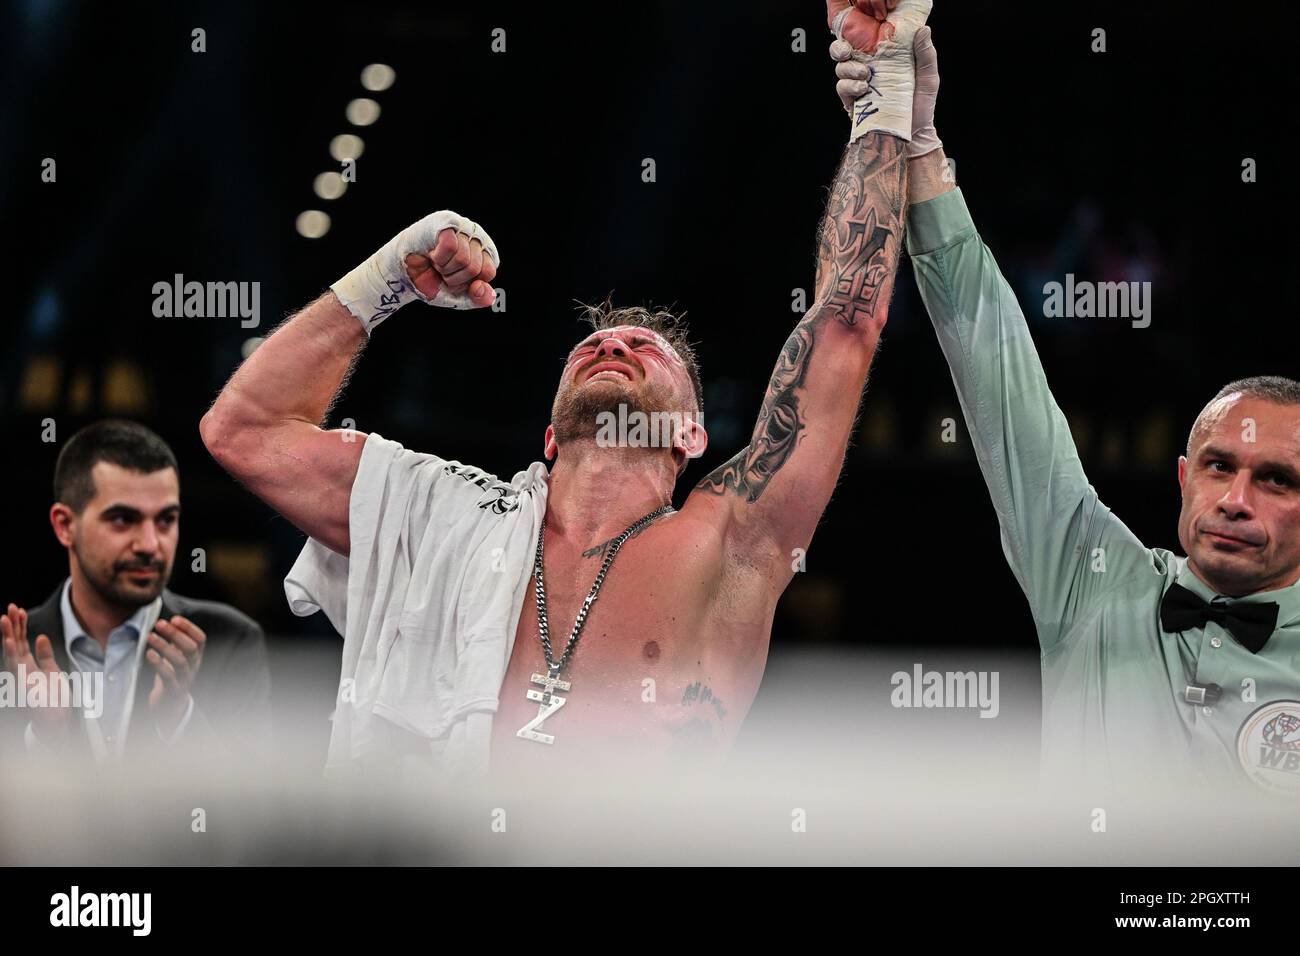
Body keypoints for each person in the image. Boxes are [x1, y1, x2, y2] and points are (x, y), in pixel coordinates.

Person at [201, 3, 935, 782]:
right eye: (590, 346)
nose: (612, 343)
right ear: (549, 437)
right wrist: (388, 278)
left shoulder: (728, 544)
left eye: (643, 349)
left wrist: (884, 97)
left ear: (691, 434)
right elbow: (241, 428)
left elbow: (846, 326)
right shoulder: (440, 513)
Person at [834, 12, 1300, 793]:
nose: (1236, 499)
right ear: (1185, 477)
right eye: (1220, 466)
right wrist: (912, 134)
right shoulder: (1094, 580)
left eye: (1278, 479)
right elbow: (995, 367)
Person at [1, 419, 272, 763]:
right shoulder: (9, 656)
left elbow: (252, 809)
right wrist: (43, 737)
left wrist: (178, 720)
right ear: (65, 526)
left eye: (165, 520)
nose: (149, 544)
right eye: (123, 519)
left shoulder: (229, 641)